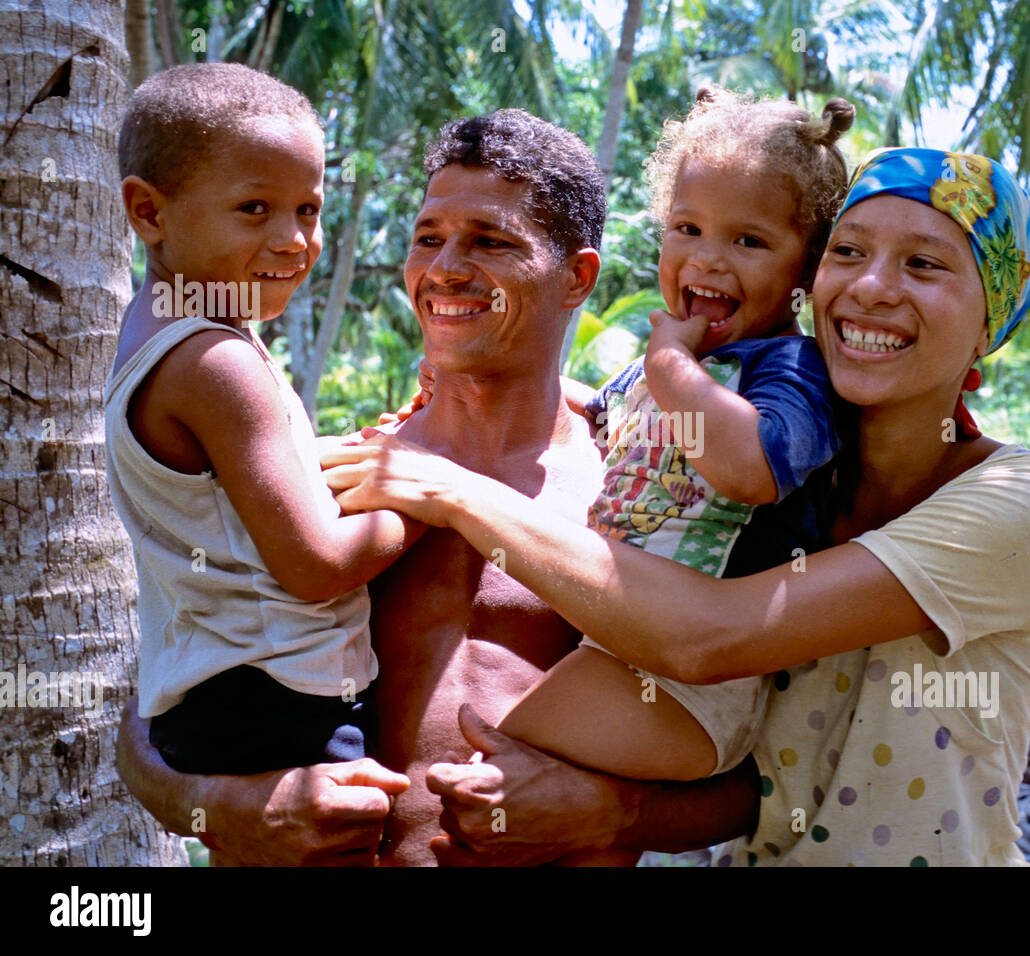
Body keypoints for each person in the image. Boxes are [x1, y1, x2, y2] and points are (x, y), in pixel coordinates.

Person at [322, 146, 1030, 866]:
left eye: (923, 264)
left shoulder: (1020, 505)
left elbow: (708, 639)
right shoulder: (779, 492)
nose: (873, 286)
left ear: (991, 322)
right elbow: (762, 790)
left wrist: (451, 490)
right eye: (847, 253)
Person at [116, 107, 764, 865]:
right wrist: (221, 809)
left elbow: (765, 775)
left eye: (490, 240)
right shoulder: (337, 479)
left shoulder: (650, 486)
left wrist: (614, 814)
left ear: (577, 277)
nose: (446, 268)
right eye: (429, 238)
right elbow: (151, 711)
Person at [106, 63, 424, 795]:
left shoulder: (165, 332)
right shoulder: (218, 363)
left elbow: (226, 490)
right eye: (255, 209)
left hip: (223, 693)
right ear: (149, 213)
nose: (294, 240)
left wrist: (348, 455)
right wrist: (426, 488)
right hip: (285, 695)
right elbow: (316, 566)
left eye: (307, 210)